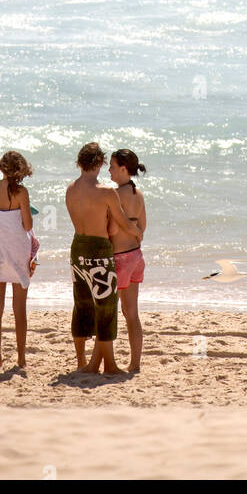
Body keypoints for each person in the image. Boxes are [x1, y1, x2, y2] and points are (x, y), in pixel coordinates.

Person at [65, 142, 141, 376]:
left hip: (78, 246)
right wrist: (137, 232)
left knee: (82, 304)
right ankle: (109, 364)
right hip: (98, 249)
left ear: (79, 163)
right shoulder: (106, 191)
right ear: (99, 163)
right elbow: (120, 222)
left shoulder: (70, 189)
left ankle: (81, 361)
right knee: (106, 306)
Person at [0, 151, 39, 373]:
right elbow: (26, 225)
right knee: (19, 308)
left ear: (1, 168)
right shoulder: (22, 192)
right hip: (18, 253)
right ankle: (21, 358)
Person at [108, 149, 147, 372]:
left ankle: (109, 360)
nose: (109, 171)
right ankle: (135, 363)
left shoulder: (114, 195)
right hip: (136, 256)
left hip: (119, 258)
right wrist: (132, 228)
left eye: (112, 167)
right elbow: (143, 228)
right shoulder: (138, 194)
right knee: (132, 313)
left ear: (124, 169)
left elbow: (111, 227)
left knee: (110, 311)